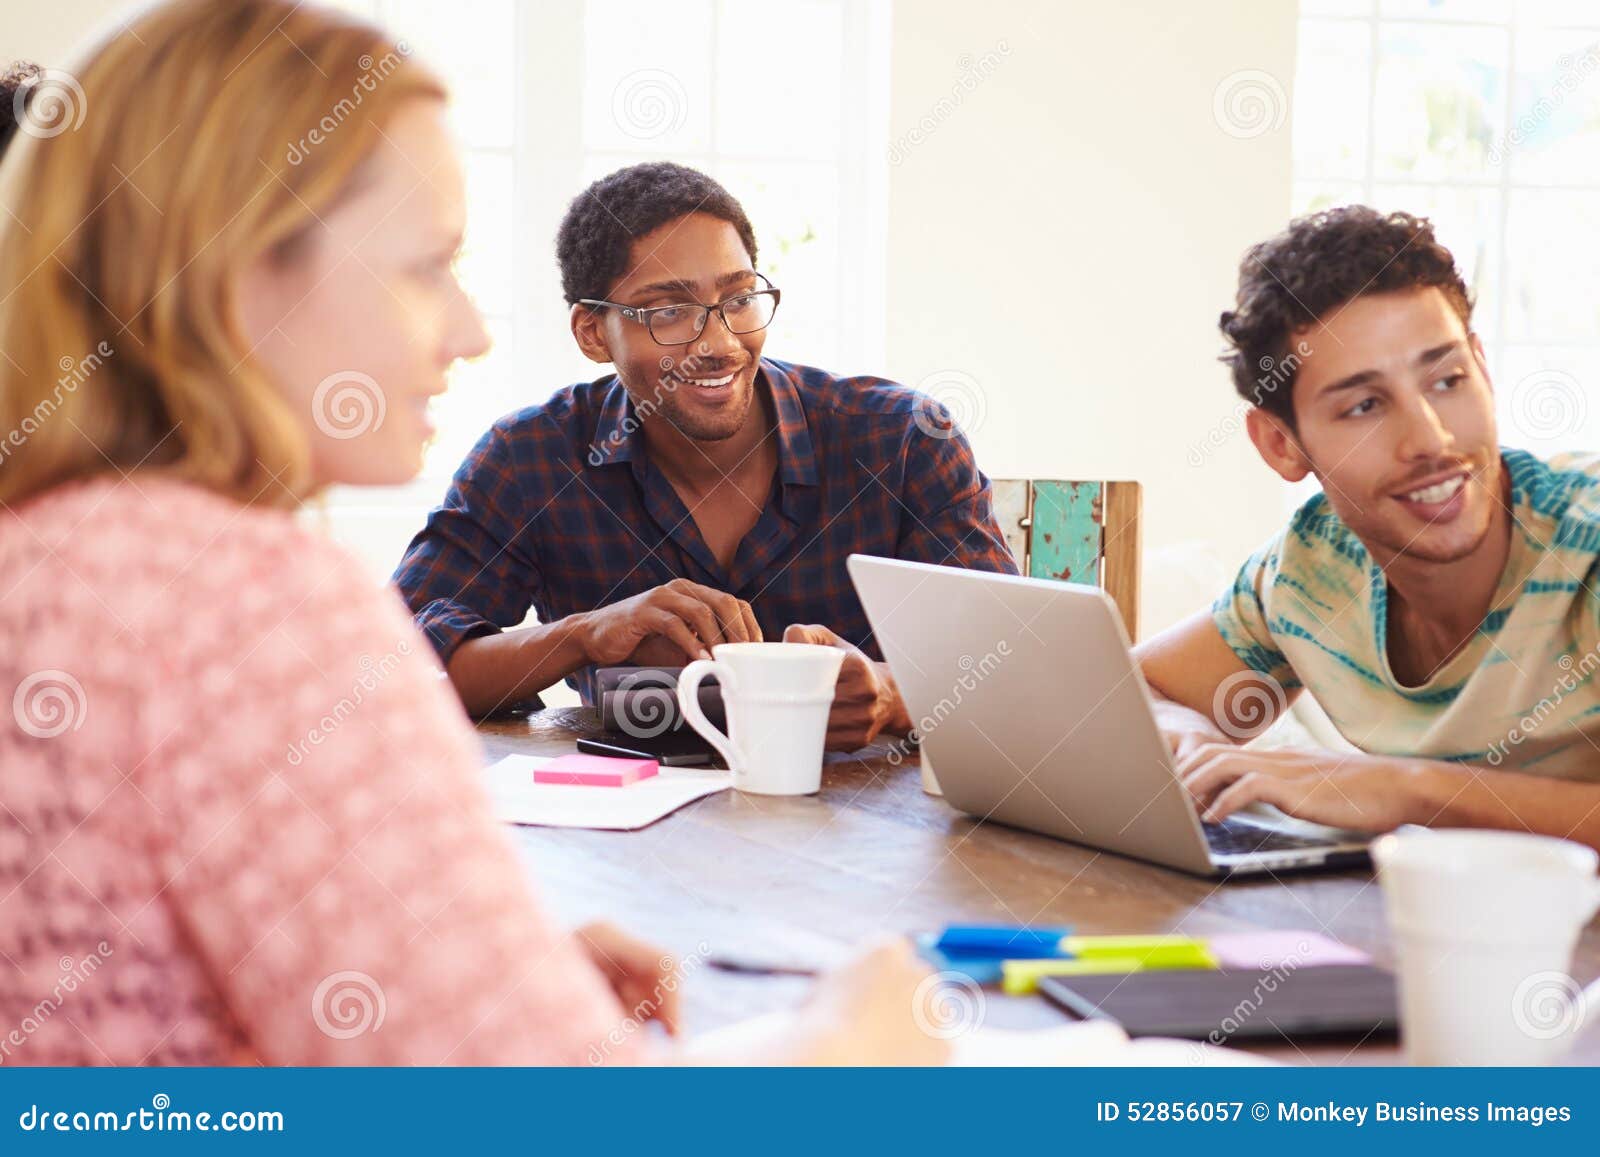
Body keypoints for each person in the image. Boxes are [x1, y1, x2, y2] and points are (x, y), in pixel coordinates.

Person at [0, 0, 943, 1066]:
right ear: (238, 272)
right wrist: (850, 1042)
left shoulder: (41, 558)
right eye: (422, 266)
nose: (470, 329)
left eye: (736, 299)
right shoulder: (253, 597)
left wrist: (470, 973)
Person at [392, 161, 1017, 749]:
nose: (719, 344)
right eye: (669, 311)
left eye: (740, 300)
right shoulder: (533, 458)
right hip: (621, 841)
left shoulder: (903, 441)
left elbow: (1010, 666)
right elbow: (397, 667)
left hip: (876, 837)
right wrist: (586, 634)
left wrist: (889, 694)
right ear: (591, 333)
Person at [1137, 206, 1600, 851]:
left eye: (1447, 379)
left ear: (1484, 369)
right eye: (1364, 406)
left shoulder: (1588, 544)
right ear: (1280, 443)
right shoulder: (1312, 570)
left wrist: (1405, 790)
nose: (1432, 440)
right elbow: (1130, 696)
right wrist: (1192, 743)